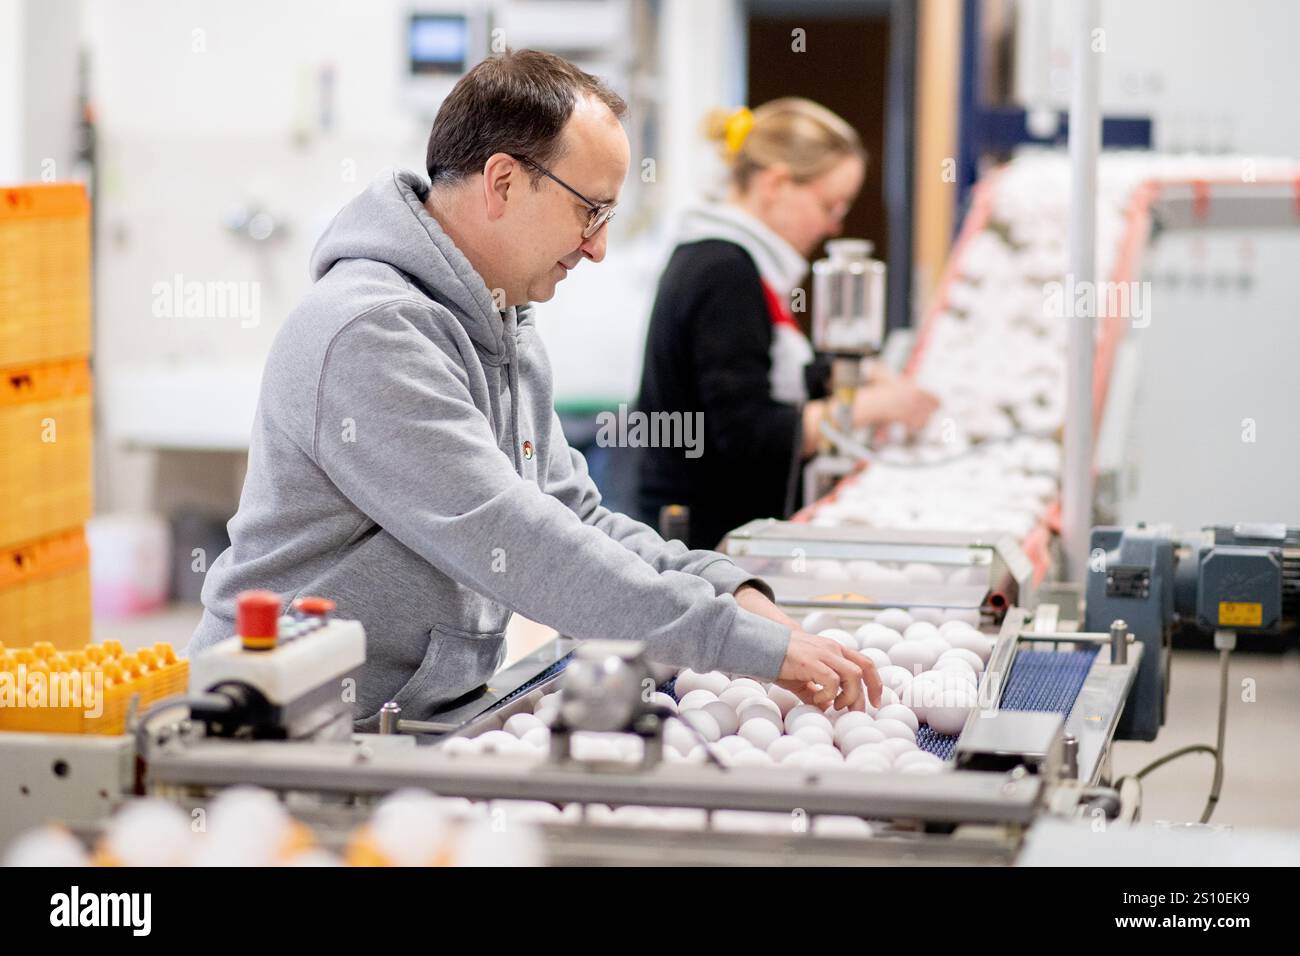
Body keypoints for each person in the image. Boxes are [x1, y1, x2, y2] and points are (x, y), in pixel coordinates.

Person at [185, 51, 880, 729]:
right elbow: (516, 539)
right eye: (591, 211)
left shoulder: (506, 322)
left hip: (421, 715)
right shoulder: (372, 330)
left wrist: (729, 590)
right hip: (292, 723)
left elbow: (574, 516)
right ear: (504, 181)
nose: (598, 247)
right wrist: (738, 643)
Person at [636, 99, 938, 550]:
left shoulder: (729, 259)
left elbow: (764, 372)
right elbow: (747, 434)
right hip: (704, 543)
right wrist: (875, 406)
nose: (834, 227)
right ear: (776, 184)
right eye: (831, 207)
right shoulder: (724, 272)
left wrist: (846, 374)